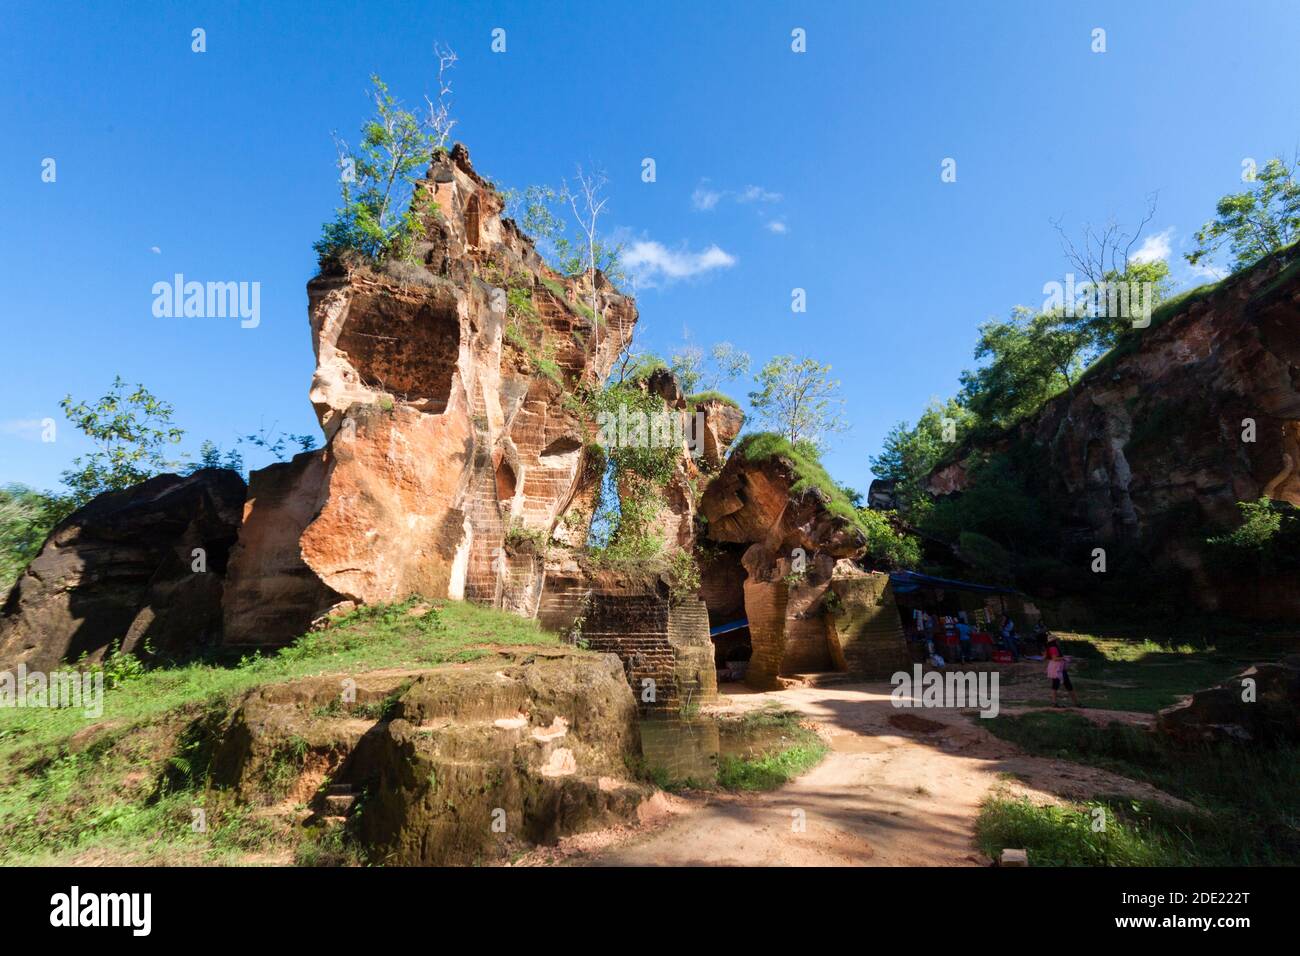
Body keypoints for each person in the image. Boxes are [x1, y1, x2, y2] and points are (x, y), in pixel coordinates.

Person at [1044, 635, 1080, 707]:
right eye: (1057, 640)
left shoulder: (1050, 648)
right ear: (1055, 641)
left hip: (1057, 668)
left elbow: (1051, 658)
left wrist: (1064, 657)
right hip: (1057, 669)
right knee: (1065, 685)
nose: (1058, 641)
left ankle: (1055, 703)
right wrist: (1064, 658)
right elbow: (1055, 658)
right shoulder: (1054, 648)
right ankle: (1075, 703)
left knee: (1056, 685)